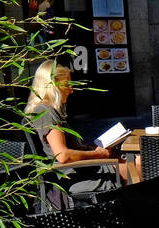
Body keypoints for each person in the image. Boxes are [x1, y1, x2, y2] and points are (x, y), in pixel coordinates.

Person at [25, 60, 138, 188]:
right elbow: (62, 156)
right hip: (77, 176)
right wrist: (97, 154)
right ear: (53, 85)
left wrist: (91, 150)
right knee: (141, 165)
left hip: (80, 170)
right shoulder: (45, 112)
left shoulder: (46, 110)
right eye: (67, 84)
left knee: (137, 160)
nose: (71, 90)